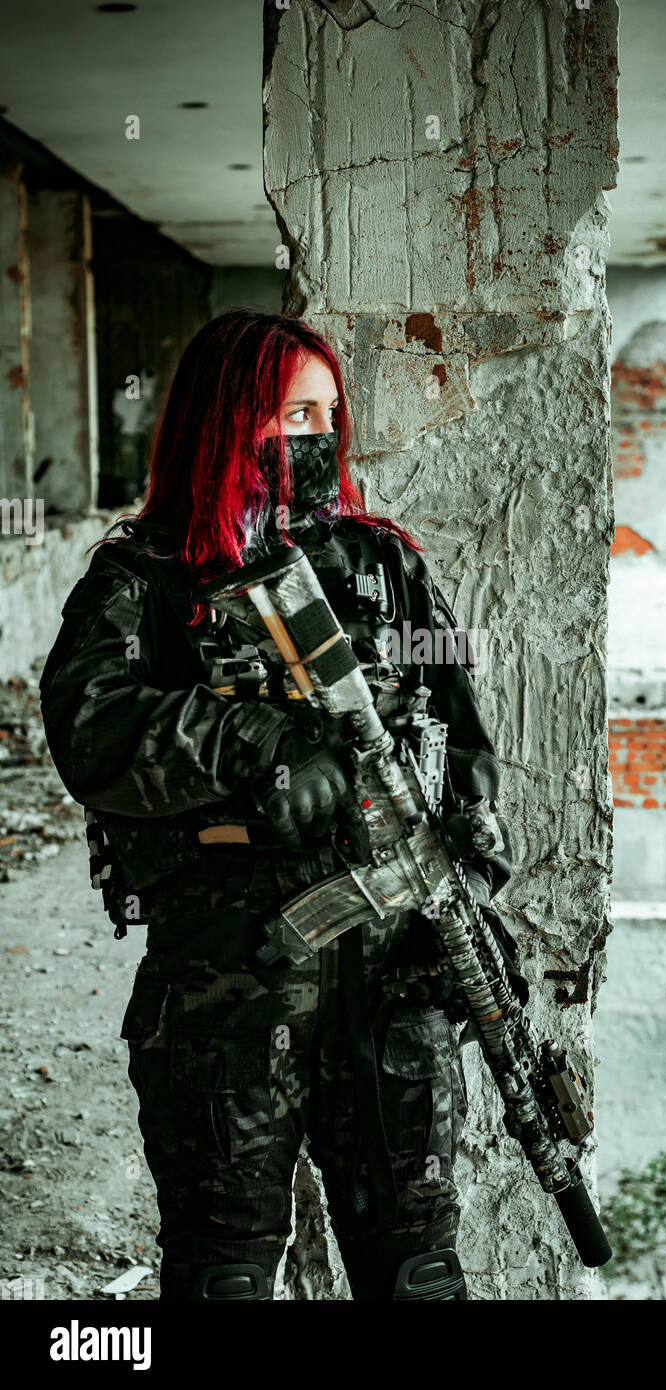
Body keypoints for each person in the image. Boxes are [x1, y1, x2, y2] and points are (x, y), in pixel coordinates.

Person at [39, 310, 523, 1301]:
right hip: (229, 977)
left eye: (326, 415)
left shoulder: (385, 566)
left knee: (422, 1273)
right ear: (225, 421)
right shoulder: (148, 578)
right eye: (289, 412)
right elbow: (94, 730)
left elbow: (464, 743)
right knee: (225, 1274)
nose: (314, 436)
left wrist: (474, 886)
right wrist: (252, 742)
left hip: (392, 978)